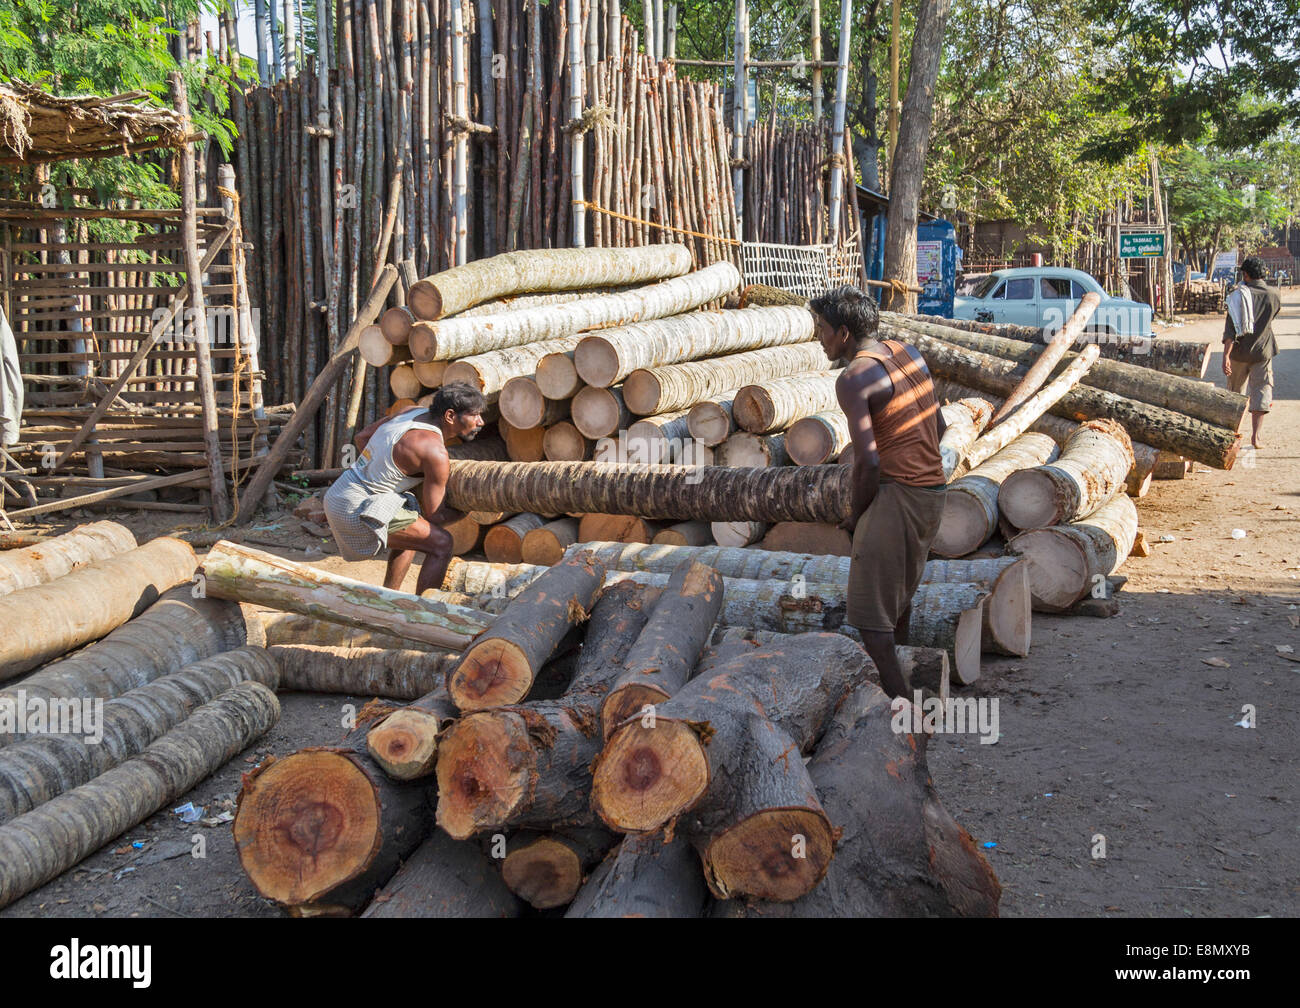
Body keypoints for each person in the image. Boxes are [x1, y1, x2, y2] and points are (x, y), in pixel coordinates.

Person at [810, 285, 947, 699]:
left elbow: (867, 463)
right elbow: (938, 427)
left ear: (844, 333)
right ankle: (901, 693)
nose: (819, 337)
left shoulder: (854, 378)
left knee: (870, 620)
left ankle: (903, 721)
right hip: (932, 493)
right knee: (896, 605)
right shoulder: (907, 354)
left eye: (822, 329)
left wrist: (857, 515)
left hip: (899, 496)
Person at [324, 382, 485, 594]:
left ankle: (390, 600)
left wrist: (382, 469)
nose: (480, 422)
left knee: (413, 532)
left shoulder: (411, 411)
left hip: (338, 492)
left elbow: (362, 437)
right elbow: (436, 516)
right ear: (449, 416)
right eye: (474, 415)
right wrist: (467, 509)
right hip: (356, 507)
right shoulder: (435, 452)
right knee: (441, 543)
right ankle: (423, 612)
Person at [1223, 256, 1281, 450]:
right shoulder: (1274, 295)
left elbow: (1230, 330)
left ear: (1246, 275)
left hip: (1238, 354)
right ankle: (1256, 438)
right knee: (1261, 392)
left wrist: (1225, 357)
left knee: (1234, 396)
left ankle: (1233, 436)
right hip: (1262, 353)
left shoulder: (1237, 296)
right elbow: (1272, 317)